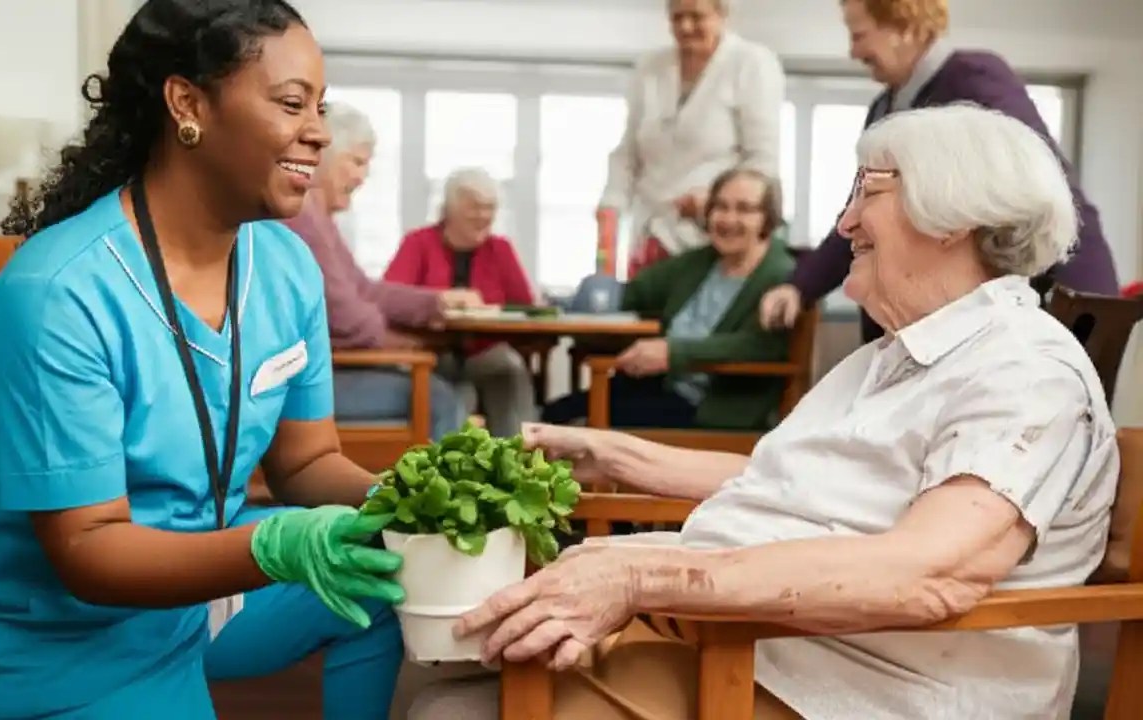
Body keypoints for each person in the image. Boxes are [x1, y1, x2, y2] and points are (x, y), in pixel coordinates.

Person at [409, 106, 1121, 720]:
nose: (845, 222)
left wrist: (639, 578)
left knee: (453, 707)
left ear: (954, 214)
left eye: (868, 190)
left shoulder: (1024, 371)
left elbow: (930, 572)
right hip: (753, 645)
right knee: (442, 668)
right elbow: (787, 479)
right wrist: (616, 454)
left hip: (855, 684)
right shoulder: (895, 357)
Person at [0, 3, 407, 718]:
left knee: (392, 585)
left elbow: (306, 462)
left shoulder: (286, 267)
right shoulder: (56, 296)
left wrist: (406, 509)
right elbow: (88, 552)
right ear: (187, 103)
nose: (317, 131)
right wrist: (272, 545)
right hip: (66, 655)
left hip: (198, 605)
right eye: (291, 104)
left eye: (320, 106)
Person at [760, 0, 1120, 343]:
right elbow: (862, 217)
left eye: (858, 35)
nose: (853, 52)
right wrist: (799, 285)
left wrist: (1080, 317)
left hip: (1046, 302)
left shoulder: (972, 78)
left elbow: (1044, 187)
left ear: (904, 26)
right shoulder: (884, 108)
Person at [545, 168, 794, 430]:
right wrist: (584, 296)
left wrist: (672, 352)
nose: (728, 219)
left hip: (710, 404)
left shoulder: (781, 274)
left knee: (569, 424)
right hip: (660, 383)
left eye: (744, 209)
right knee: (555, 413)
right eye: (720, 206)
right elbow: (634, 292)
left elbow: (762, 346)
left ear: (768, 219)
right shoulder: (703, 261)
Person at [286, 102, 472, 440]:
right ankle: (441, 493)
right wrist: (410, 342)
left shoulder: (319, 218)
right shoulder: (302, 216)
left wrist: (436, 303)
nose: (362, 177)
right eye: (356, 162)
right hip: (308, 380)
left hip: (322, 368)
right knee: (441, 397)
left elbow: (364, 291)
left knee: (453, 382)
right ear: (324, 155)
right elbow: (347, 320)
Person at [598, 0, 785, 279]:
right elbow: (628, 153)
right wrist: (610, 207)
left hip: (714, 237)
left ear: (722, 14)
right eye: (677, 17)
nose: (686, 27)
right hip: (651, 231)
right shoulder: (650, 67)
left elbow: (762, 160)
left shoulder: (751, 63)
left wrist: (715, 201)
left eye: (697, 17)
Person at [385, 167, 537, 436]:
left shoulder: (500, 249)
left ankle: (517, 461)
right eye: (474, 207)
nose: (484, 216)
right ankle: (452, 470)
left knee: (509, 368)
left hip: (484, 351)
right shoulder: (418, 243)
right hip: (429, 353)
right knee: (459, 395)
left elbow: (525, 307)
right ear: (449, 210)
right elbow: (390, 300)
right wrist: (439, 303)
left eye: (490, 208)